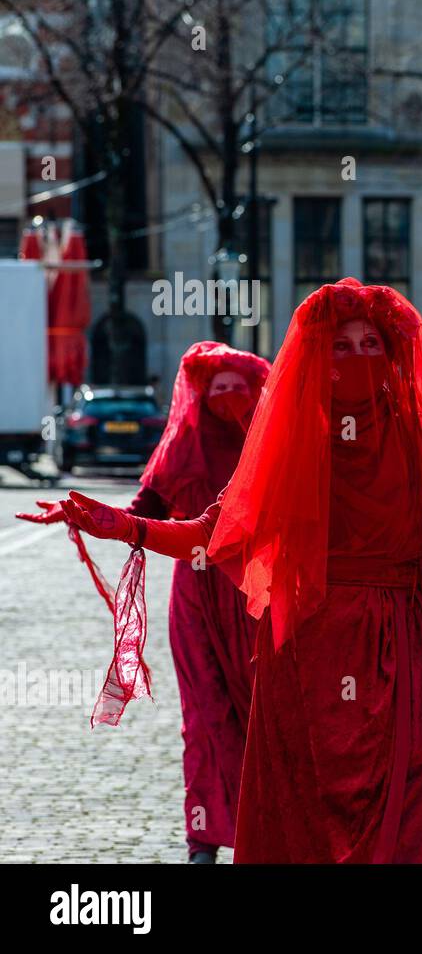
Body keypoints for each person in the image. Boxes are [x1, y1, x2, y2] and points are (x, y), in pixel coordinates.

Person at [53, 280, 422, 863]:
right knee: (309, 797)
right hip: (308, 647)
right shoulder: (288, 440)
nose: (358, 357)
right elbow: (211, 534)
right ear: (318, 357)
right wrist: (123, 527)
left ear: (393, 351)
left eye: (371, 344)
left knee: (413, 781)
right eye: (343, 347)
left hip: (400, 643)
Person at [19, 341, 269, 863]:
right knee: (203, 716)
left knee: (260, 714)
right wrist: (79, 515)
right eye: (215, 389)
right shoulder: (180, 448)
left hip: (256, 596)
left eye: (235, 389)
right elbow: (143, 512)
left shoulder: (269, 450)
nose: (226, 398)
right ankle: (203, 837)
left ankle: (265, 828)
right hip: (196, 599)